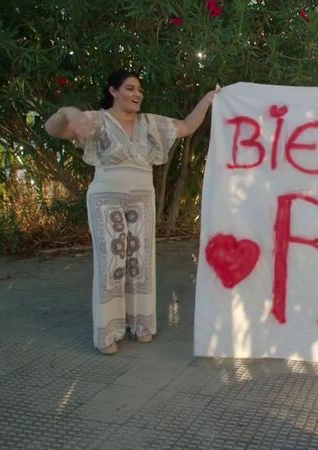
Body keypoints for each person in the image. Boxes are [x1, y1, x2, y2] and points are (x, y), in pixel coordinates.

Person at [45, 69, 219, 355]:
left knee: (140, 260)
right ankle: (108, 332)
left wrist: (207, 100)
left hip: (141, 197)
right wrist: (69, 111)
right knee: (111, 259)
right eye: (130, 88)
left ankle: (141, 324)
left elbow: (187, 126)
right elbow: (54, 130)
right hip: (105, 197)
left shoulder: (150, 123)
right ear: (113, 91)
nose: (137, 94)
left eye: (139, 89)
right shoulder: (97, 120)